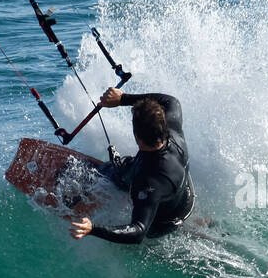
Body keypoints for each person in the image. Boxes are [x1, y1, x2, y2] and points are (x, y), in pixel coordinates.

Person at [70, 88, 195, 243]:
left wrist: (93, 229)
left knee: (117, 175)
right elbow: (170, 101)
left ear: (137, 137)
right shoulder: (173, 131)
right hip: (185, 197)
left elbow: (138, 231)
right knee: (126, 168)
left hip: (161, 224)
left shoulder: (149, 181)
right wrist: (122, 99)